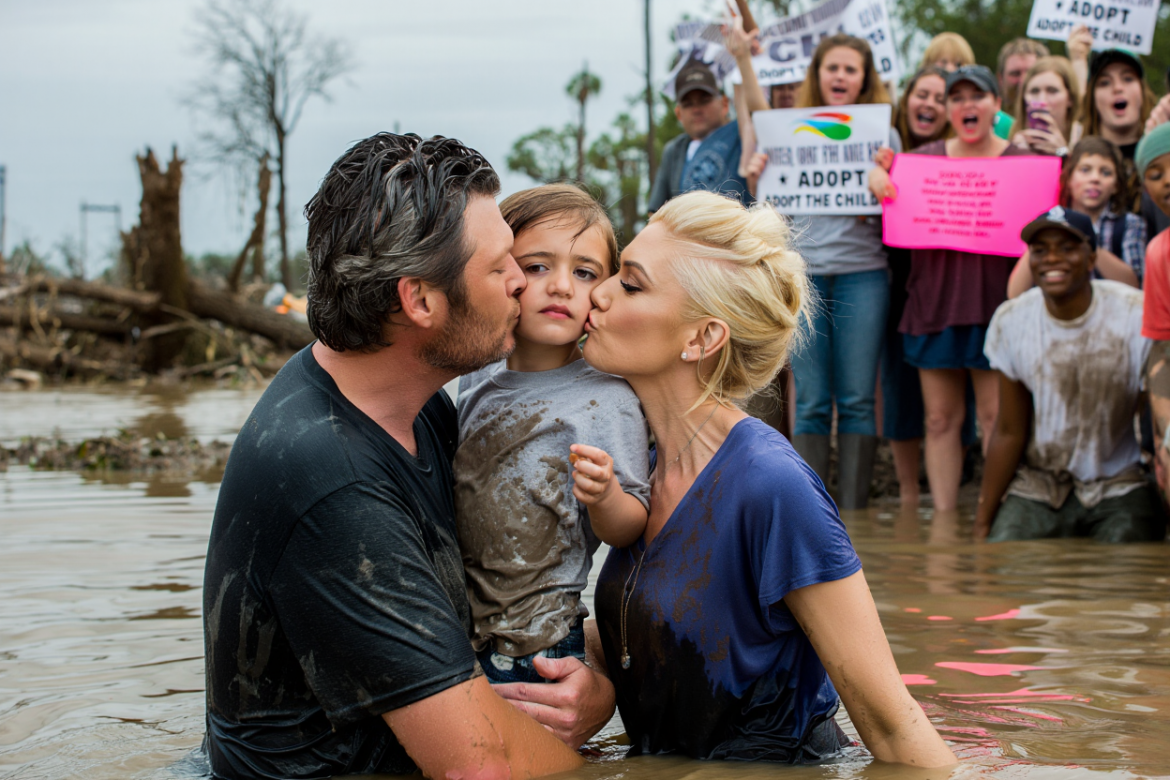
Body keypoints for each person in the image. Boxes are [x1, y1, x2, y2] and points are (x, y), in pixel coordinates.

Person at [201, 133, 610, 780]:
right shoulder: (330, 480)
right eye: (503, 267)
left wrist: (595, 680)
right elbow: (481, 767)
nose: (519, 285)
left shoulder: (412, 403)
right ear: (420, 300)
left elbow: (502, 589)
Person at [580, 189, 957, 767]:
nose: (596, 294)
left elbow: (892, 727)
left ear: (701, 338)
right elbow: (667, 639)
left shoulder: (771, 486)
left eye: (629, 284)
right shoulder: (639, 473)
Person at [454, 183, 650, 684]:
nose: (562, 286)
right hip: (459, 632)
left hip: (540, 642)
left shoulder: (606, 398)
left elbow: (630, 525)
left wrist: (605, 495)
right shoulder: (477, 374)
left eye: (584, 273)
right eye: (537, 266)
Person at [875, 65, 1033, 512]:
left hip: (996, 306)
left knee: (992, 417)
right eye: (957, 97)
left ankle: (995, 520)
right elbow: (886, 208)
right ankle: (944, 530)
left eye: (977, 96)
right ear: (947, 109)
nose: (967, 105)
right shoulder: (916, 162)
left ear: (996, 106)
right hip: (935, 304)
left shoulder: (1023, 162)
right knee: (940, 419)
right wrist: (878, 180)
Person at [975, 206, 1163, 542]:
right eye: (1041, 250)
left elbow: (1160, 413)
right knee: (1002, 552)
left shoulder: (1134, 313)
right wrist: (982, 525)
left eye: (1066, 248)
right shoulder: (1012, 320)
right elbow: (1008, 430)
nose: (1052, 259)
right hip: (1041, 486)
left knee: (1129, 554)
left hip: (1118, 482)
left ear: (1091, 258)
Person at [779, 33, 899, 510]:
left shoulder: (883, 138)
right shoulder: (786, 131)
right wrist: (758, 172)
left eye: (852, 69)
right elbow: (774, 204)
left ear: (865, 78)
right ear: (818, 75)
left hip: (863, 274)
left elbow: (897, 216)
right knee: (809, 401)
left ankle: (854, 514)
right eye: (833, 68)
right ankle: (811, 510)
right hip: (803, 278)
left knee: (856, 399)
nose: (841, 77)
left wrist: (887, 187)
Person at [878, 66, 950, 504]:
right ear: (907, 100)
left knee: (949, 401)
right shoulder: (887, 151)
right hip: (898, 283)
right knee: (899, 385)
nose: (930, 104)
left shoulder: (962, 154)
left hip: (944, 286)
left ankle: (948, 489)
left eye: (941, 98)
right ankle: (907, 494)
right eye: (922, 94)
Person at [1008, 137, 1145, 295]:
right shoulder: (1049, 222)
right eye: (1085, 170)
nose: (1095, 179)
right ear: (1069, 179)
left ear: (1116, 185)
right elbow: (1015, 294)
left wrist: (1084, 237)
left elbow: (1135, 286)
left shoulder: (1130, 223)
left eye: (1106, 172)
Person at [1080, 49, 1170, 238]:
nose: (1117, 88)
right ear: (1092, 98)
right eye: (1104, 82)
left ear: (1142, 90)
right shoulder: (1077, 162)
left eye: (1128, 79)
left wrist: (1160, 149)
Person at [649, 59, 754, 212]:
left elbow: (752, 105)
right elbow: (655, 211)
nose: (696, 109)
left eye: (704, 101)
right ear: (679, 113)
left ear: (724, 104)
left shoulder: (743, 134)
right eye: (688, 104)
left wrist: (742, 56)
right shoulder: (674, 151)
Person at [1138, 125, 1170, 496]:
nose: (1166, 182)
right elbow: (1162, 348)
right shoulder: (1159, 253)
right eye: (1155, 175)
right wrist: (1164, 436)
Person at [1009, 56, 1082, 156]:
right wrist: (1014, 153)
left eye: (1052, 91)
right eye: (1034, 91)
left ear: (1070, 98)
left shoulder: (1083, 137)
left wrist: (1062, 152)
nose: (1042, 101)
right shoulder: (1011, 137)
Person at [995, 38, 1051, 139]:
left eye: (1031, 73)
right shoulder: (989, 128)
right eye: (1015, 74)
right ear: (1000, 79)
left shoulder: (1065, 129)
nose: (1023, 81)